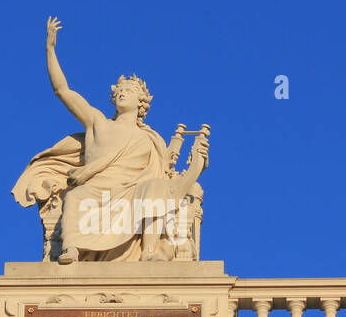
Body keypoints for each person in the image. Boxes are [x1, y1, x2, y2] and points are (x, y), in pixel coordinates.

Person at [12, 18, 208, 262]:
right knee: (75, 197)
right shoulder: (97, 123)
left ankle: (149, 253)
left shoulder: (150, 139)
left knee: (155, 189)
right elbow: (63, 91)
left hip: (134, 191)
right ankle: (71, 249)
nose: (123, 93)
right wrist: (50, 50)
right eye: (120, 91)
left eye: (130, 91)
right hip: (96, 190)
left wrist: (196, 166)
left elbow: (167, 182)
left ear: (141, 103)